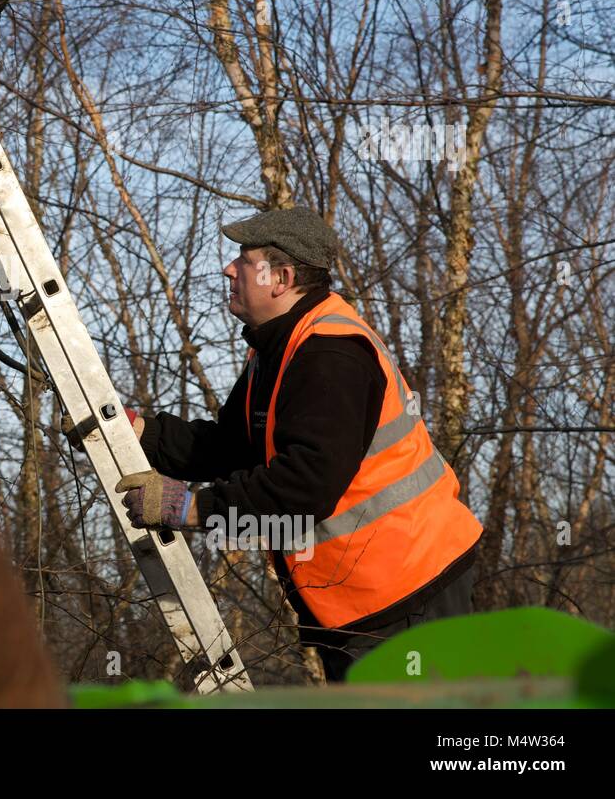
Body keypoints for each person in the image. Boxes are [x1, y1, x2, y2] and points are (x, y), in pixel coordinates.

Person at [109, 205, 482, 681]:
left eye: (243, 260)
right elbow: (231, 446)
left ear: (280, 277)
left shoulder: (330, 354)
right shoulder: (279, 346)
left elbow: (304, 488)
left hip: (406, 592)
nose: (228, 268)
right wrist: (137, 431)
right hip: (365, 597)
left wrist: (192, 509)